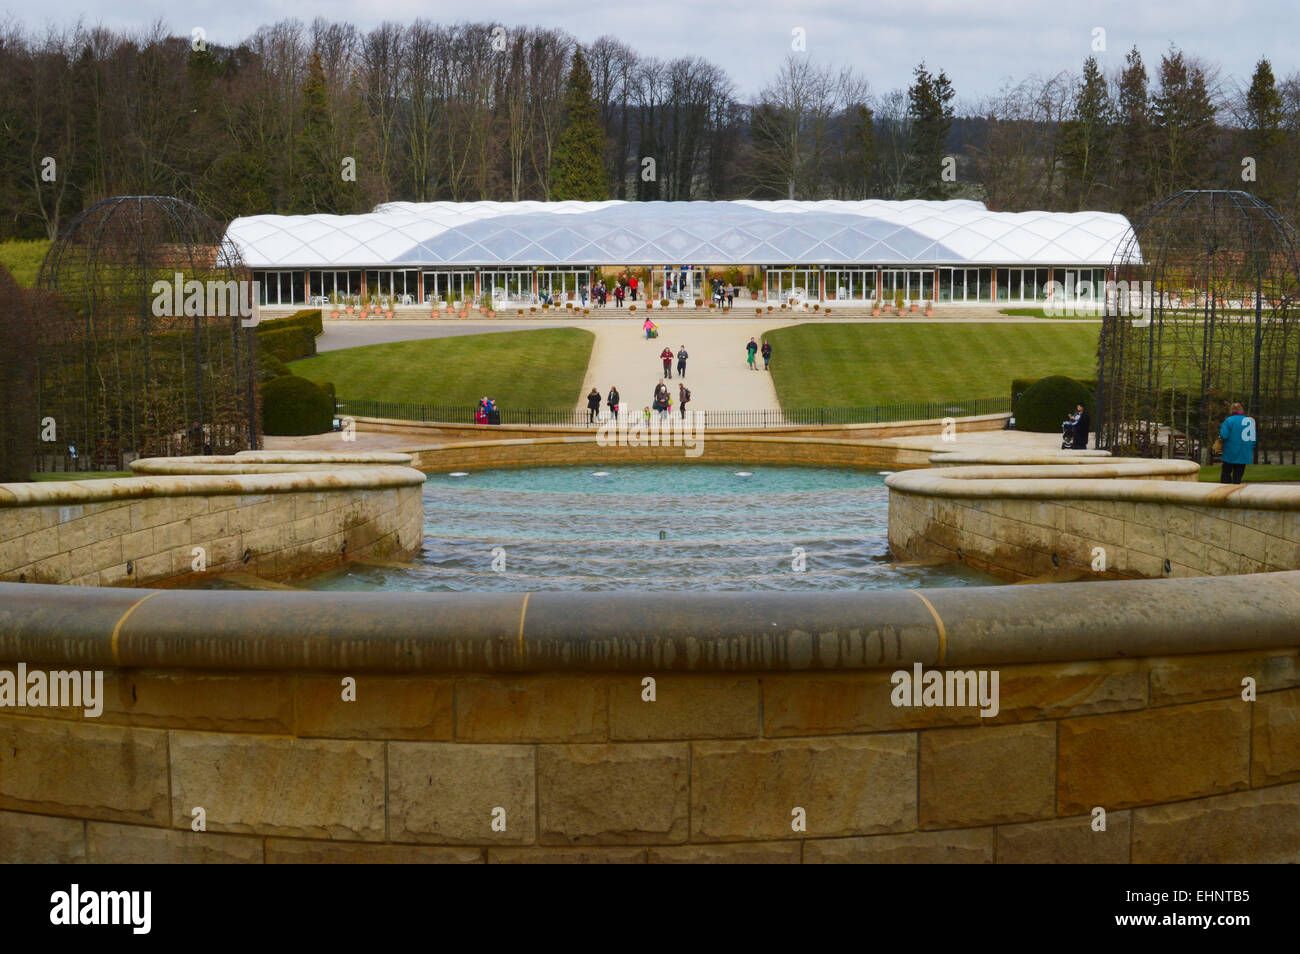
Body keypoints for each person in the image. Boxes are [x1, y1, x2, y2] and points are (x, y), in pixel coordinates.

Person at [1219, 401, 1257, 484]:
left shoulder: (1228, 421)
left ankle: (1225, 492)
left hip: (1230, 451)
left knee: (1226, 473)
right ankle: (1235, 491)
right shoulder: (1250, 421)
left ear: (1232, 410)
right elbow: (1253, 439)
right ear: (1241, 410)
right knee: (1238, 475)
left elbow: (1224, 435)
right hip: (1244, 452)